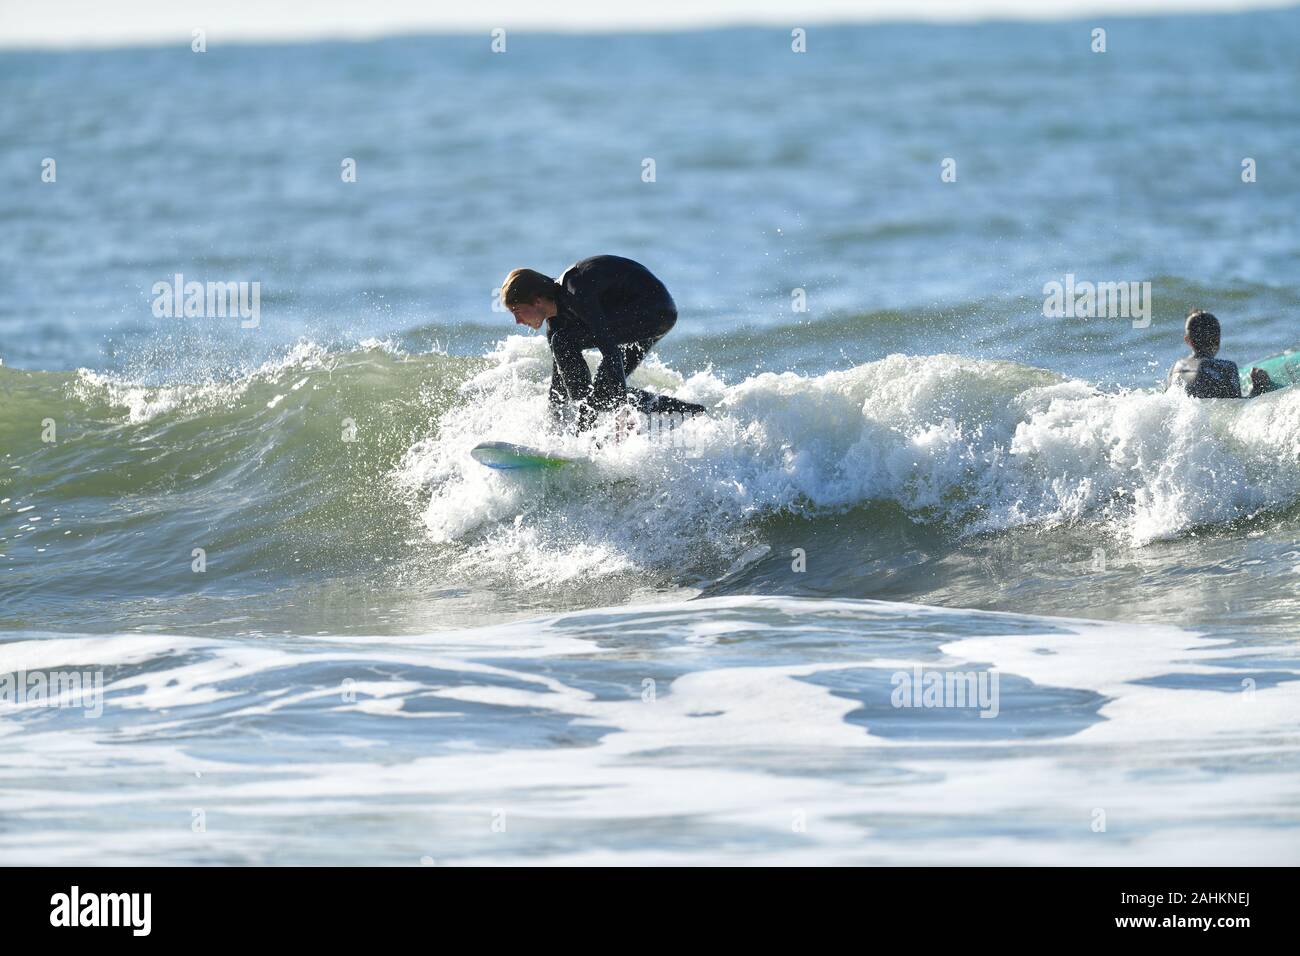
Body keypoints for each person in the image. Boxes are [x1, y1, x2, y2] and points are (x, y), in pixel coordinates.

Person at [501, 255, 705, 430]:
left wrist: (594, 419)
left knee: (568, 347)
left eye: (516, 311)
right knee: (604, 392)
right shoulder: (556, 323)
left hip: (653, 310)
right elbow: (558, 384)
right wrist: (552, 430)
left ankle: (589, 434)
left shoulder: (576, 291)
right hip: (641, 316)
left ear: (537, 300)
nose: (518, 321)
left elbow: (611, 352)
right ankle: (691, 412)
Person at [1165, 310, 1242, 398]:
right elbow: (1238, 403)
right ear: (1217, 339)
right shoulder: (1227, 367)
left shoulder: (1175, 367)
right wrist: (1257, 387)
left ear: (1187, 340)